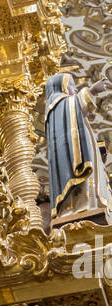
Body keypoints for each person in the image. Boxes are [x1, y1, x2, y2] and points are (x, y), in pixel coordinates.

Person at [45, 71, 112, 226]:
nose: (75, 90)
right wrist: (92, 90)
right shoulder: (58, 105)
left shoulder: (70, 111)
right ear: (59, 87)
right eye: (71, 86)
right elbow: (74, 105)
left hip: (87, 168)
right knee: (82, 190)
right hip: (72, 168)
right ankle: (82, 209)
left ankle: (95, 206)